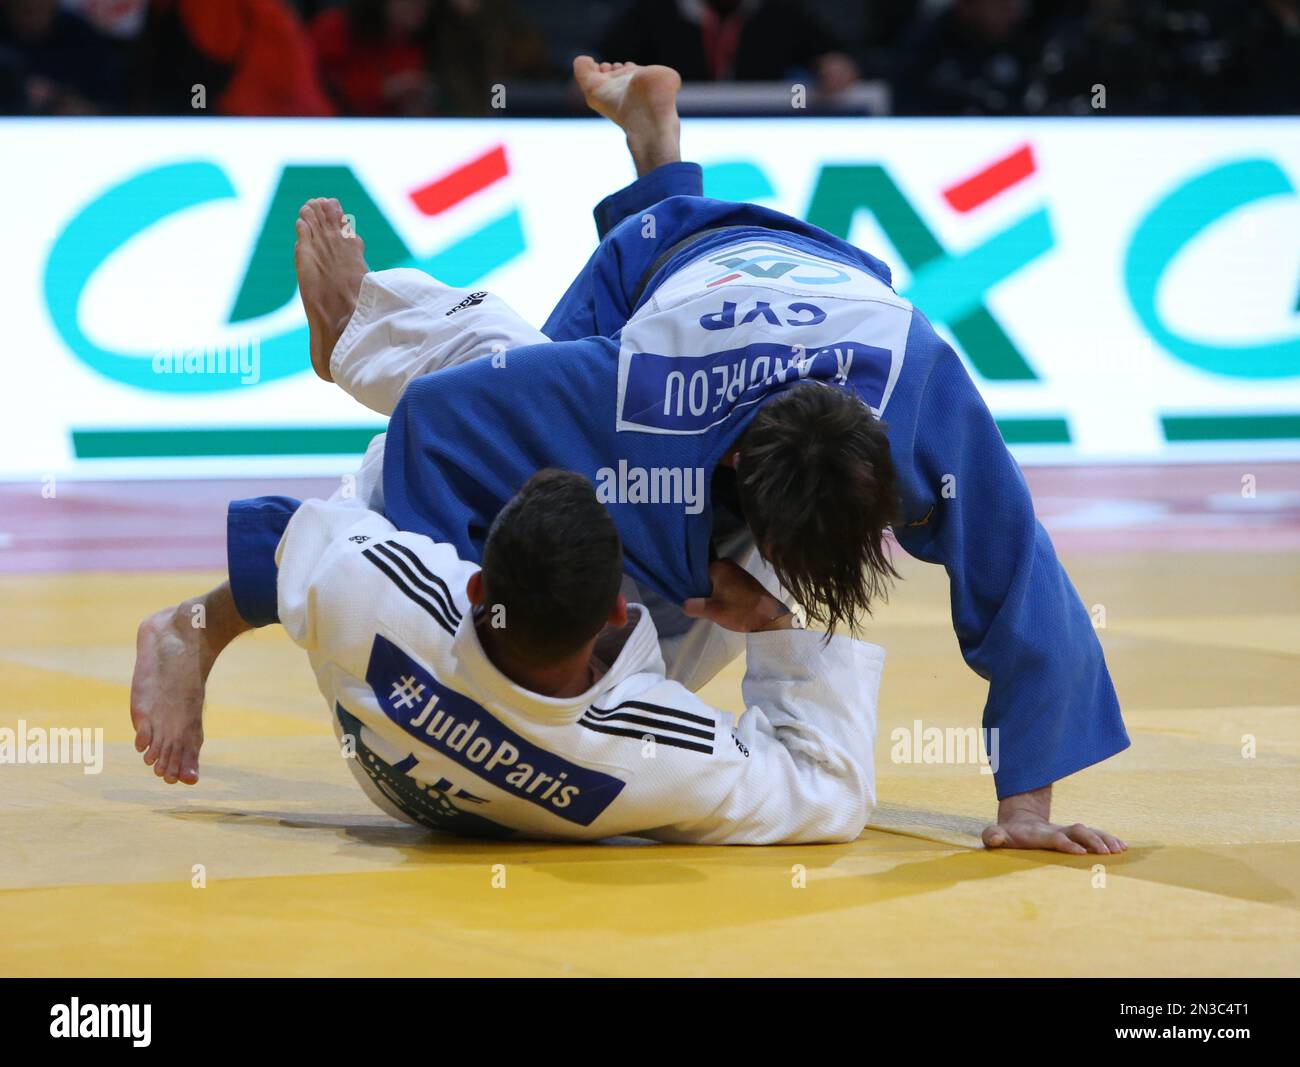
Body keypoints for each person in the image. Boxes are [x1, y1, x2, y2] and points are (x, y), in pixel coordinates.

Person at [285, 56, 1130, 854]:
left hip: (825, 274)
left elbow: (1019, 576)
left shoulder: (928, 402)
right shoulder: (638, 392)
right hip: (662, 262)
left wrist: (1026, 805)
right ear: (727, 468)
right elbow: (440, 416)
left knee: (646, 580)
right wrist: (462, 611)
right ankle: (362, 325)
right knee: (547, 498)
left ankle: (657, 142)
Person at [130, 451, 890, 844]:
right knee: (757, 525)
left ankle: (182, 638)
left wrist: (195, 630)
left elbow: (279, 540)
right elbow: (829, 790)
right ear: (620, 615)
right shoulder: (662, 755)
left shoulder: (383, 597)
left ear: (472, 586)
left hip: (391, 761)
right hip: (482, 795)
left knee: (439, 420)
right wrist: (776, 622)